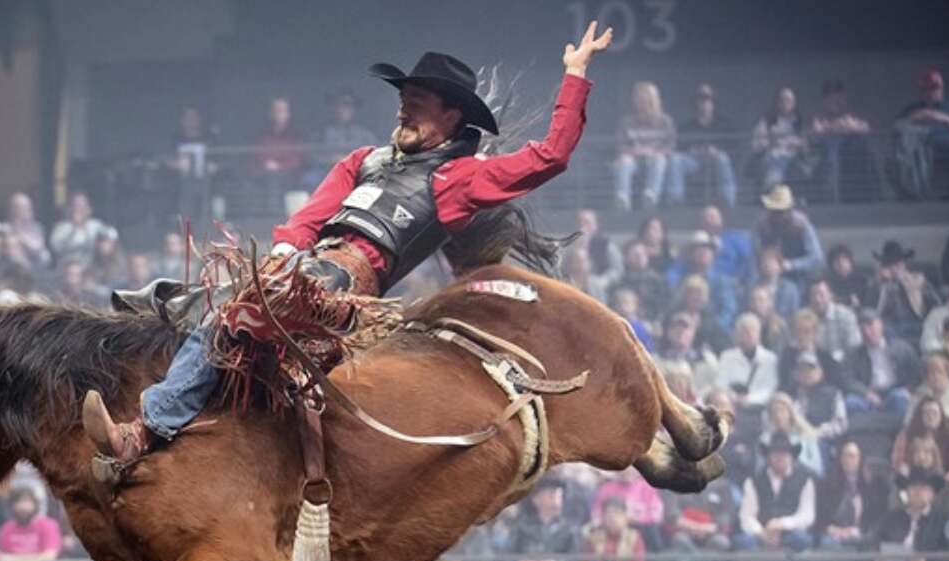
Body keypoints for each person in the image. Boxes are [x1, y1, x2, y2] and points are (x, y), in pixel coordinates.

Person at [84, 29, 614, 465]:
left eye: (416, 107)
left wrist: (575, 74)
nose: (402, 114)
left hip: (343, 292)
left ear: (452, 118)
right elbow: (309, 218)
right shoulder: (364, 160)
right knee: (176, 304)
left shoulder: (460, 179)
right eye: (402, 105)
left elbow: (550, 156)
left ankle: (146, 431)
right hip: (302, 269)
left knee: (227, 315)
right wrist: (284, 255)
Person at [891, 69, 949, 200]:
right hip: (918, 152)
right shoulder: (912, 109)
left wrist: (941, 117)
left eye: (934, 88)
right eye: (927, 88)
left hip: (948, 152)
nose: (931, 92)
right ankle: (913, 195)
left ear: (941, 89)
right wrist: (920, 116)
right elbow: (896, 127)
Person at [737, 432, 815, 552]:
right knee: (743, 542)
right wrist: (762, 532)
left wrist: (781, 524)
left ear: (791, 456)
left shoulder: (805, 480)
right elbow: (746, 516)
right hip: (761, 534)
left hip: (790, 534)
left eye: (784, 453)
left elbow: (807, 515)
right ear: (768, 456)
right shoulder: (754, 481)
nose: (780, 457)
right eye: (775, 453)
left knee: (802, 540)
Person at [611, 81, 676, 211]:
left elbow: (670, 145)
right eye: (638, 98)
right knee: (624, 161)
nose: (640, 102)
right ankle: (622, 198)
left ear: (652, 100)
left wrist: (655, 151)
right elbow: (620, 145)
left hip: (655, 159)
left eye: (644, 99)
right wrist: (633, 151)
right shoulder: (626, 122)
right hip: (633, 159)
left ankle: (651, 196)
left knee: (659, 160)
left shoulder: (665, 121)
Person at [806, 80, 874, 204]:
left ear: (843, 98)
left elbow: (865, 128)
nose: (834, 101)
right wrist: (833, 127)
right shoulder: (819, 118)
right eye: (830, 97)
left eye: (838, 97)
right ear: (824, 100)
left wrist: (848, 126)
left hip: (849, 168)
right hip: (824, 164)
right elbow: (813, 133)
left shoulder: (850, 117)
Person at [843, 310, 921, 418]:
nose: (867, 332)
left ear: (880, 325)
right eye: (862, 328)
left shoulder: (901, 348)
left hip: (894, 391)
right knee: (850, 403)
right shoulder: (855, 355)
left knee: (900, 397)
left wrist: (909, 389)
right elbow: (848, 380)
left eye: (870, 325)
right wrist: (865, 393)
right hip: (869, 394)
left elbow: (916, 373)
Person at [672, 83, 737, 208]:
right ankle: (676, 200)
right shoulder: (687, 126)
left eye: (708, 100)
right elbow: (678, 148)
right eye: (701, 100)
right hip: (694, 162)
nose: (704, 104)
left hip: (715, 160)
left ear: (713, 103)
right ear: (696, 103)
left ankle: (728, 201)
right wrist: (692, 151)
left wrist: (716, 151)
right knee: (675, 160)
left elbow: (733, 147)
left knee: (723, 158)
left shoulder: (724, 125)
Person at [815, 440, 888, 549]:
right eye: (844, 456)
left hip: (862, 535)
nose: (847, 460)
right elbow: (820, 516)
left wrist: (857, 531)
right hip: (834, 536)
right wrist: (833, 529)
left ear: (860, 459)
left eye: (852, 456)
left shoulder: (874, 486)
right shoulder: (827, 484)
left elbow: (877, 517)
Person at [870, 239, 939, 343]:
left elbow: (936, 304)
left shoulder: (918, 279)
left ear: (903, 263)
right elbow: (872, 309)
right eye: (890, 264)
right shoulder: (878, 284)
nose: (895, 267)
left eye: (898, 262)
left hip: (915, 323)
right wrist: (880, 284)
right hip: (890, 326)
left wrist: (905, 280)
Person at [751, 184, 823, 280]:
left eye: (780, 211)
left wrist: (791, 265)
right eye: (773, 209)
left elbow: (817, 258)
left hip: (798, 276)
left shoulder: (802, 224)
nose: (776, 215)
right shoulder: (761, 224)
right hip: (766, 276)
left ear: (789, 209)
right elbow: (752, 254)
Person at [749, 87, 807, 191]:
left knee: (784, 161)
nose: (786, 103)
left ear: (794, 103)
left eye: (789, 100)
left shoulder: (799, 122)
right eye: (783, 100)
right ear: (778, 102)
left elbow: (805, 145)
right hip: (771, 158)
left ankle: (772, 193)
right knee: (777, 160)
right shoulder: (767, 121)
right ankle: (773, 194)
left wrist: (798, 144)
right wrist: (771, 143)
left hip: (794, 161)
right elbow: (756, 145)